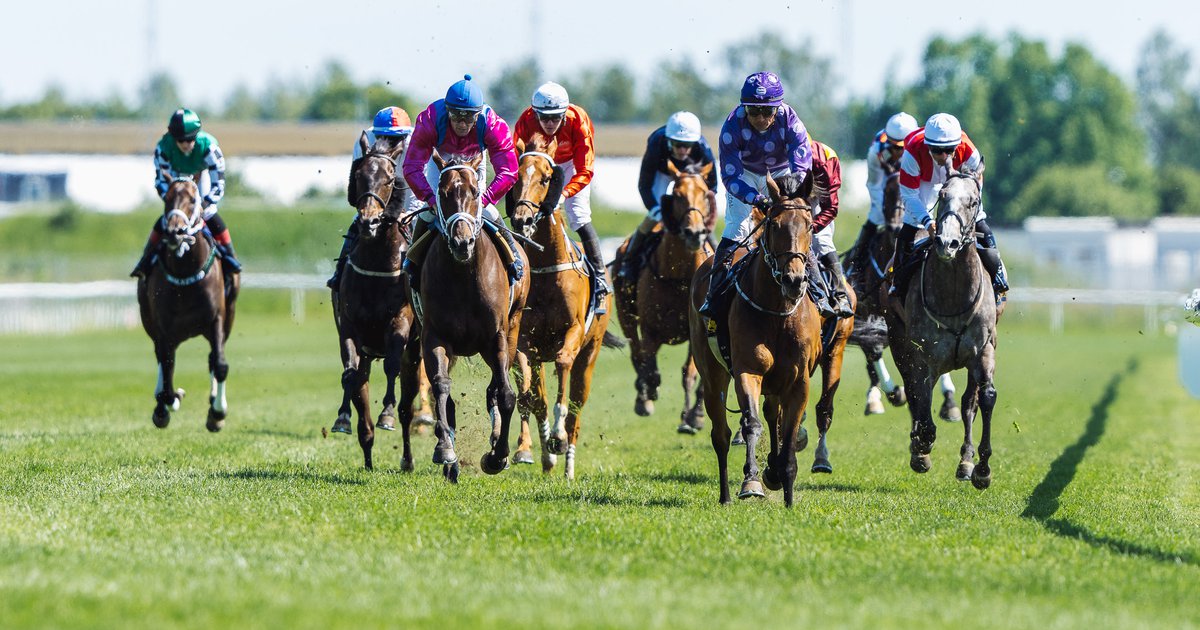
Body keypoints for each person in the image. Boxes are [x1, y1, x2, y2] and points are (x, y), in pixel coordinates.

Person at [699, 71, 813, 318]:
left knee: (795, 225)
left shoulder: (791, 120)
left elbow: (802, 165)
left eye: (767, 111)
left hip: (782, 172)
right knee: (736, 229)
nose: (760, 118)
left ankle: (820, 292)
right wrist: (757, 199)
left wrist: (792, 192)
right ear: (744, 108)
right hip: (745, 174)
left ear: (778, 108)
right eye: (753, 111)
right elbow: (731, 177)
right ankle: (714, 296)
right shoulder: (732, 126)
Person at [401, 74, 522, 285]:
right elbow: (411, 167)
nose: (462, 123)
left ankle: (513, 257)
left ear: (478, 115)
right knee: (429, 212)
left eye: (469, 117)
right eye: (456, 116)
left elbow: (509, 171)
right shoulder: (430, 119)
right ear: (447, 110)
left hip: (474, 160)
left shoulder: (492, 124)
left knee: (487, 211)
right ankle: (413, 260)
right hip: (441, 159)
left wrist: (484, 199)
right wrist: (430, 199)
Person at [889, 112, 1009, 302]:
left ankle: (999, 278)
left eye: (949, 150)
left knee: (981, 224)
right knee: (909, 228)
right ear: (927, 145)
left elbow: (974, 193)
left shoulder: (969, 152)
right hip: (924, 182)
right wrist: (927, 222)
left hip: (959, 182)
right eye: (937, 150)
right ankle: (898, 283)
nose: (943, 156)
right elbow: (909, 196)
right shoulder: (912, 152)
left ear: (957, 145)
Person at [511, 82, 609, 313]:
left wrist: (564, 193)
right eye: (544, 117)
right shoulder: (525, 120)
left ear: (564, 114)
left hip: (570, 165)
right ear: (535, 113)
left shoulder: (578, 120)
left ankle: (600, 281)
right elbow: (515, 159)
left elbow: (585, 170)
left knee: (578, 215)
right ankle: (515, 273)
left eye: (555, 117)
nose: (549, 123)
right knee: (522, 213)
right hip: (537, 164)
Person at [132, 108, 240, 278]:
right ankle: (145, 260)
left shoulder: (209, 147)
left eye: (190, 139)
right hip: (175, 178)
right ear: (173, 138)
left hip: (200, 176)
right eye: (181, 140)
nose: (186, 144)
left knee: (210, 214)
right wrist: (172, 201)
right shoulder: (163, 148)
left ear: (197, 135)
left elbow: (218, 184)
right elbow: (160, 182)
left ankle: (230, 257)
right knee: (168, 219)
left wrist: (204, 203)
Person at [326, 106, 417, 290]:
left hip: (409, 191)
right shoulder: (365, 141)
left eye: (395, 138)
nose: (388, 142)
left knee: (419, 226)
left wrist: (407, 213)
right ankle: (339, 272)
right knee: (356, 224)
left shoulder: (416, 144)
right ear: (376, 134)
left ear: (405, 136)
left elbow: (419, 185)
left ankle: (421, 280)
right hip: (375, 195)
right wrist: (367, 208)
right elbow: (359, 184)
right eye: (383, 136)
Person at [620, 111, 718, 282]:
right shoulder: (656, 144)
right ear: (668, 140)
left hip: (692, 176)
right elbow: (644, 186)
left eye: (687, 145)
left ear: (694, 143)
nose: (682, 150)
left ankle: (718, 261)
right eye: (677, 144)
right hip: (663, 172)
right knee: (653, 217)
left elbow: (712, 187)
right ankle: (629, 260)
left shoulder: (703, 150)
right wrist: (657, 211)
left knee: (698, 221)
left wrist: (701, 213)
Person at [848, 111, 918, 272]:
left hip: (912, 181)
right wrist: (885, 211)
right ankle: (855, 265)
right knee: (876, 215)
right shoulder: (876, 152)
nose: (898, 152)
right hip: (885, 180)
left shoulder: (920, 149)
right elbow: (874, 185)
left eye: (902, 147)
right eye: (894, 146)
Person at [806, 135, 855, 318]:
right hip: (788, 199)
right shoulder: (775, 153)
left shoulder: (824, 159)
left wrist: (810, 228)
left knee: (820, 240)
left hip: (816, 199)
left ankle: (840, 294)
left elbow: (830, 208)